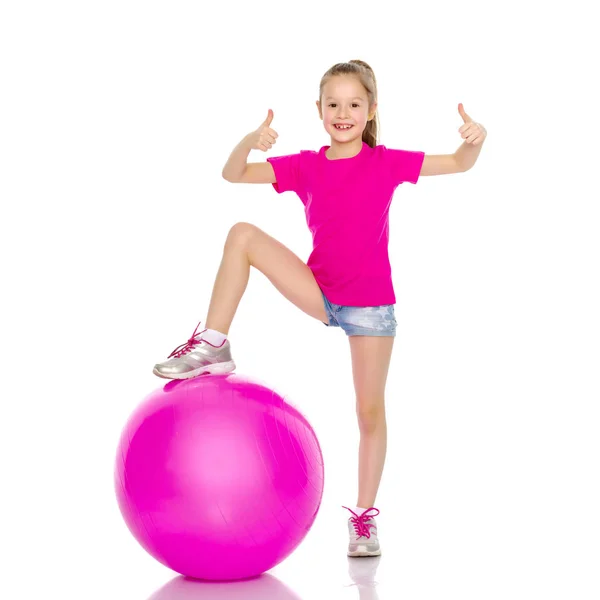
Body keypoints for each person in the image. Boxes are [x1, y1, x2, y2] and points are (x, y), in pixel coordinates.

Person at [152, 59, 487, 557]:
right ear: (319, 110)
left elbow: (458, 163)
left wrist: (473, 139)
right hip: (320, 290)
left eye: (355, 104)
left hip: (371, 308)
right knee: (242, 234)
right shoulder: (305, 164)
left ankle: (365, 519)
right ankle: (213, 345)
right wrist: (250, 140)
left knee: (370, 412)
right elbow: (233, 173)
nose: (343, 113)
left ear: (371, 111)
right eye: (334, 104)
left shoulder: (386, 161)